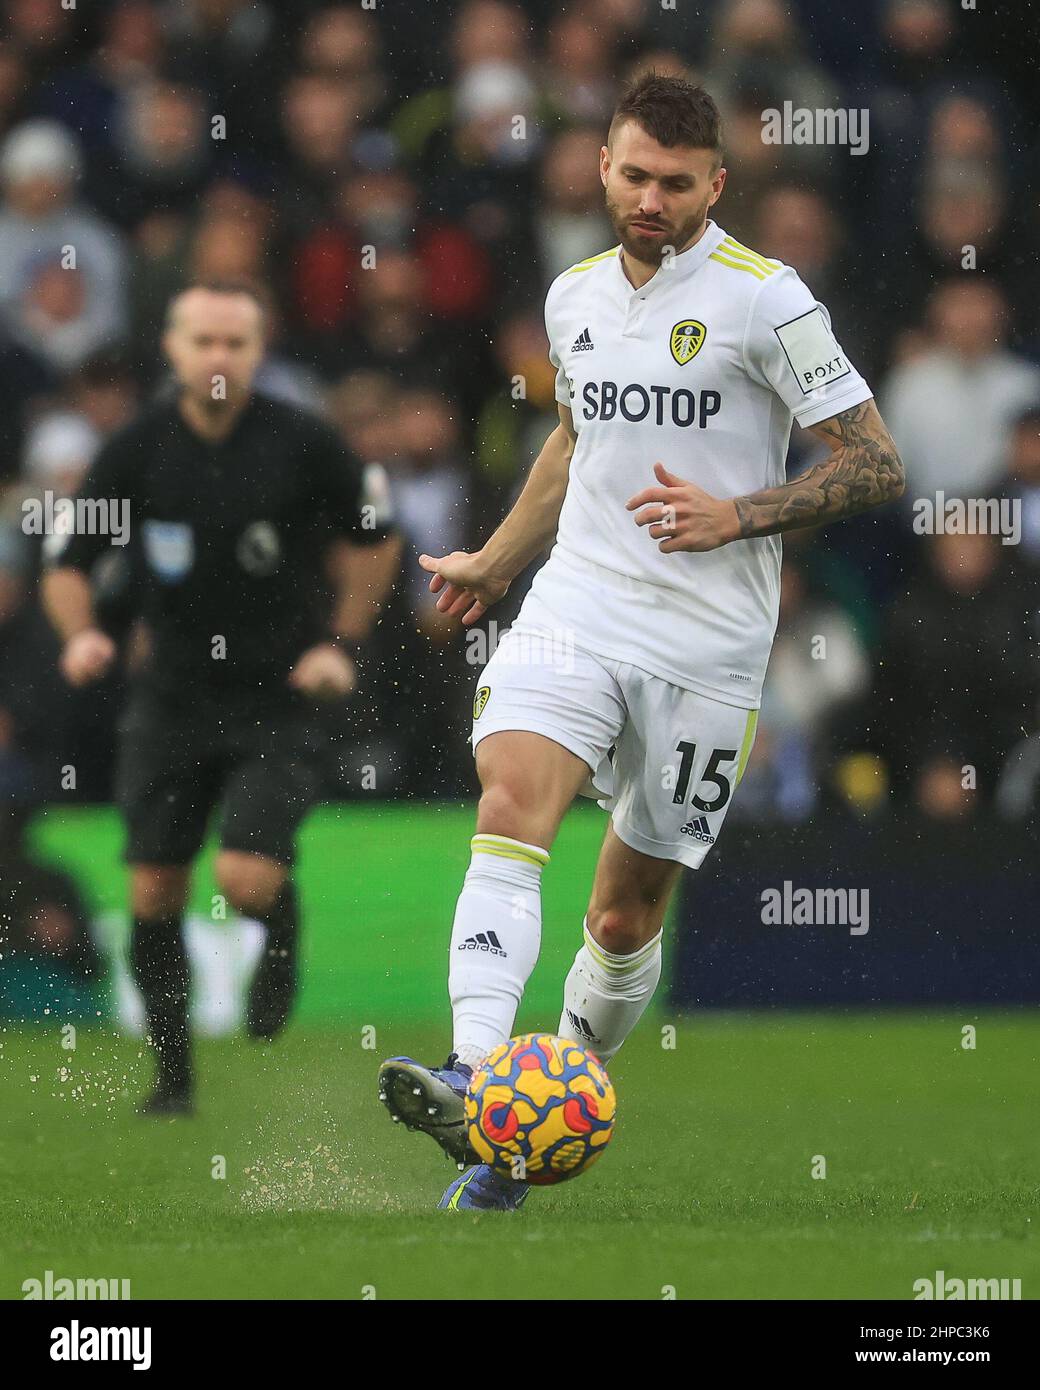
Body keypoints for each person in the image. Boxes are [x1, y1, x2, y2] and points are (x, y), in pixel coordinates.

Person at [377, 73, 904, 1209]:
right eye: (631, 174)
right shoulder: (570, 297)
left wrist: (738, 515)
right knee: (509, 803)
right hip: (578, 604)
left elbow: (875, 461)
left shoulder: (767, 302)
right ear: (601, 168)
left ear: (714, 184)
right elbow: (574, 442)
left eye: (675, 182)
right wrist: (496, 559)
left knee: (621, 914)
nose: (650, 197)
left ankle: (526, 1138)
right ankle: (474, 1072)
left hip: (707, 646)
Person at [41, 279, 399, 1115]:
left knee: (243, 877)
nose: (217, 358)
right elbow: (66, 565)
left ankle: (282, 927)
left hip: (278, 697)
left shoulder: (305, 442)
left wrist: (340, 644)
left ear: (257, 352)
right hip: (168, 700)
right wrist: (82, 634)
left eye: (234, 343)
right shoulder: (133, 450)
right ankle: (173, 1082)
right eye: (202, 342)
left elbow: (376, 539)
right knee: (153, 892)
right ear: (172, 350)